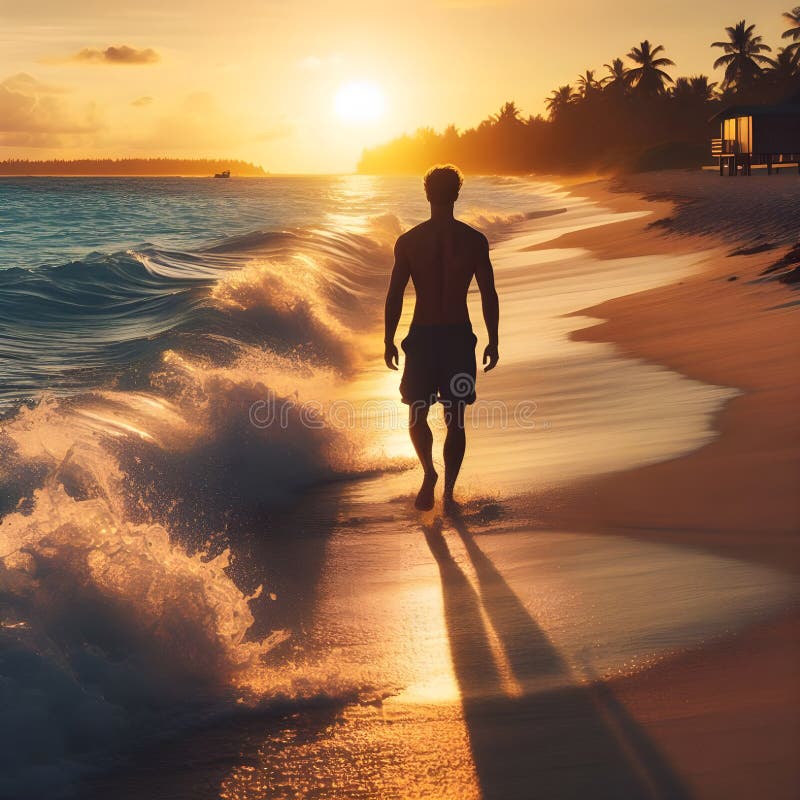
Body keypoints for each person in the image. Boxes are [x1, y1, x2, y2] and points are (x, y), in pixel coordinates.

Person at [384, 164, 499, 513]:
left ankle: (429, 474)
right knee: (456, 418)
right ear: (457, 194)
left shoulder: (409, 242)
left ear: (427, 194)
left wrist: (388, 339)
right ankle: (448, 493)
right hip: (458, 340)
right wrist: (493, 339)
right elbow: (489, 294)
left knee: (417, 415)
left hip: (421, 339)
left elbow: (394, 295)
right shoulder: (474, 241)